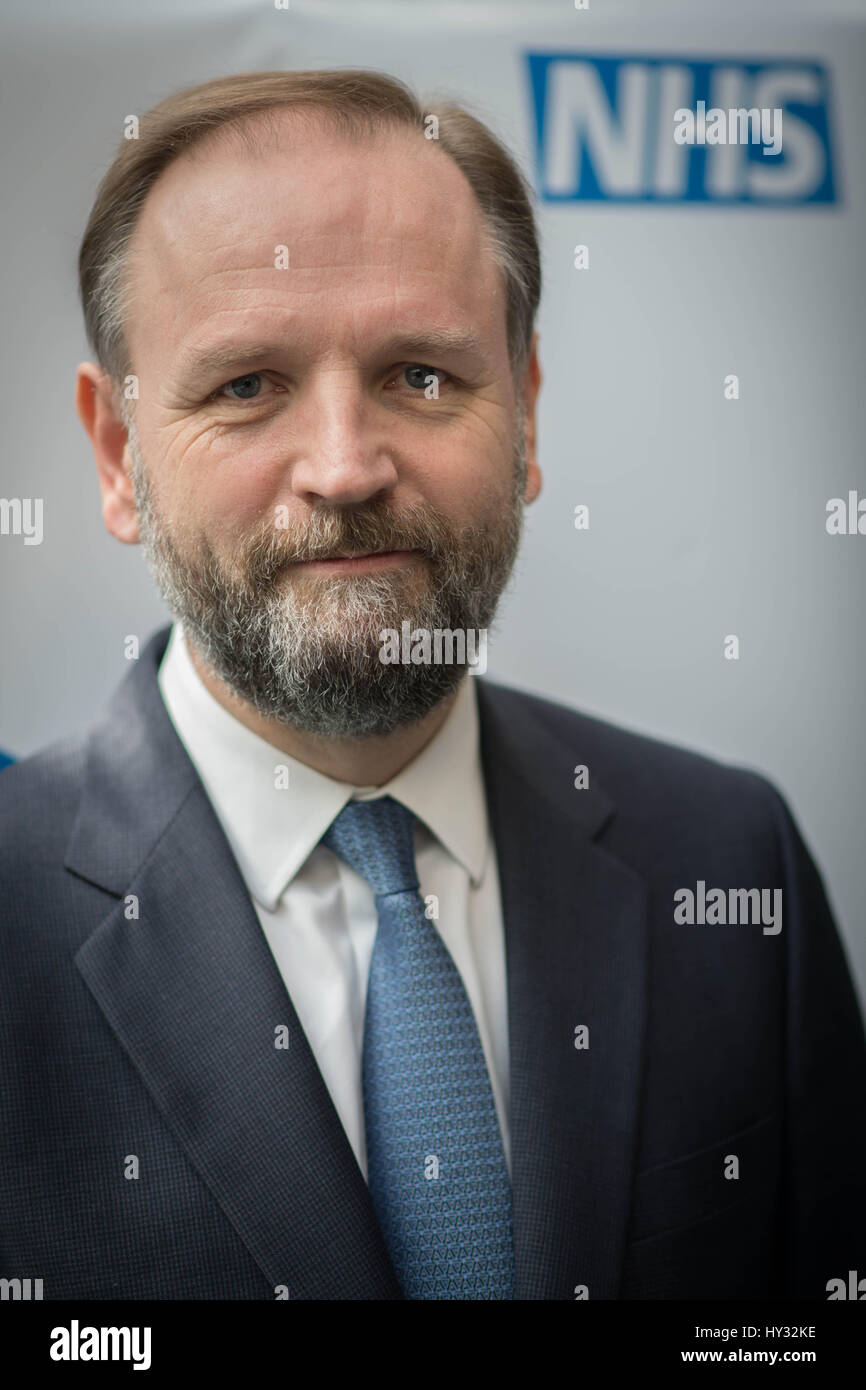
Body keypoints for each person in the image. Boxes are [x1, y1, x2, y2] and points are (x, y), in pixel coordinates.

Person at [1, 69, 864, 1302]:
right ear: (117, 454)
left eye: (421, 375)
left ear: (523, 414)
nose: (345, 468)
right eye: (246, 385)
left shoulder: (729, 859)